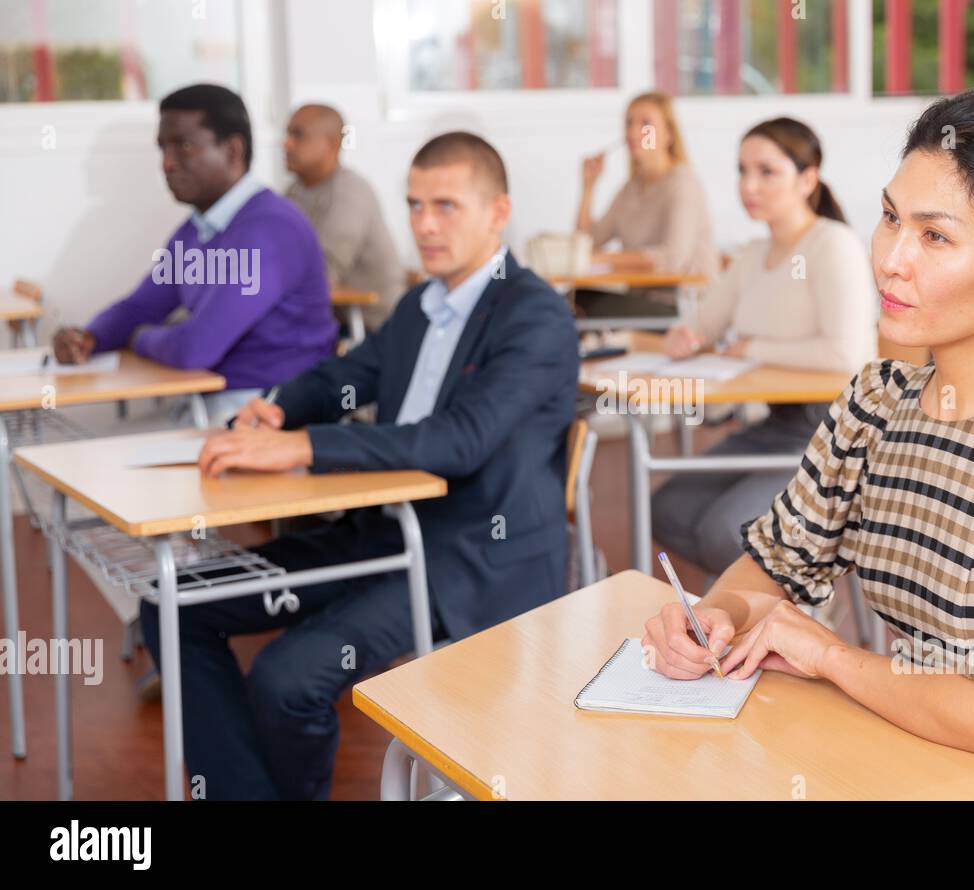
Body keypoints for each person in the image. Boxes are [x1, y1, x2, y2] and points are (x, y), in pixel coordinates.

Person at [640, 87, 974, 795]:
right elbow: (773, 564)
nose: (890, 259)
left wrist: (832, 656)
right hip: (917, 755)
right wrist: (714, 619)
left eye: (935, 236)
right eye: (890, 219)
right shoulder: (877, 400)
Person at [138, 132, 579, 800]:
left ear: (498, 212)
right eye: (413, 205)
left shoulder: (535, 314)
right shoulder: (418, 305)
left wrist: (304, 447)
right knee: (174, 603)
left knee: (287, 680)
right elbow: (346, 375)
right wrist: (278, 410)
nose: (424, 225)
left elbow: (460, 440)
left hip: (472, 557)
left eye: (446, 206)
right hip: (386, 529)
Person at [651, 117, 875, 576]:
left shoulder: (833, 245)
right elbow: (704, 323)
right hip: (777, 423)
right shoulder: (753, 254)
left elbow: (847, 355)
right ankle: (756, 603)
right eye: (742, 170)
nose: (748, 185)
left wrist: (753, 346)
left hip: (832, 435)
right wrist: (686, 336)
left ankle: (786, 605)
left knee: (724, 531)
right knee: (667, 509)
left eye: (766, 171)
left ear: (808, 178)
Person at [52, 84, 337, 424]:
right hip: (220, 404)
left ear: (233, 150)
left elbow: (195, 348)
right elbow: (141, 305)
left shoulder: (271, 230)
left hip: (276, 410)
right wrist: (90, 337)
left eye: (184, 146)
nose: (168, 163)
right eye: (163, 149)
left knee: (114, 458)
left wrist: (136, 337)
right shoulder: (198, 228)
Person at [574, 91, 717, 317]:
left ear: (669, 134)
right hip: (642, 301)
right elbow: (588, 243)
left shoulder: (683, 183)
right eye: (629, 123)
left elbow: (674, 258)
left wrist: (605, 259)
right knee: (571, 299)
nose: (633, 131)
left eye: (645, 124)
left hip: (683, 307)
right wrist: (588, 188)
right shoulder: (631, 189)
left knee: (578, 303)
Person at [284, 103, 405, 331]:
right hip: (331, 316)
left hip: (370, 324)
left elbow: (322, 272)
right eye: (287, 134)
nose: (286, 143)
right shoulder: (294, 191)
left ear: (331, 144)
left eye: (297, 135)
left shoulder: (350, 193)